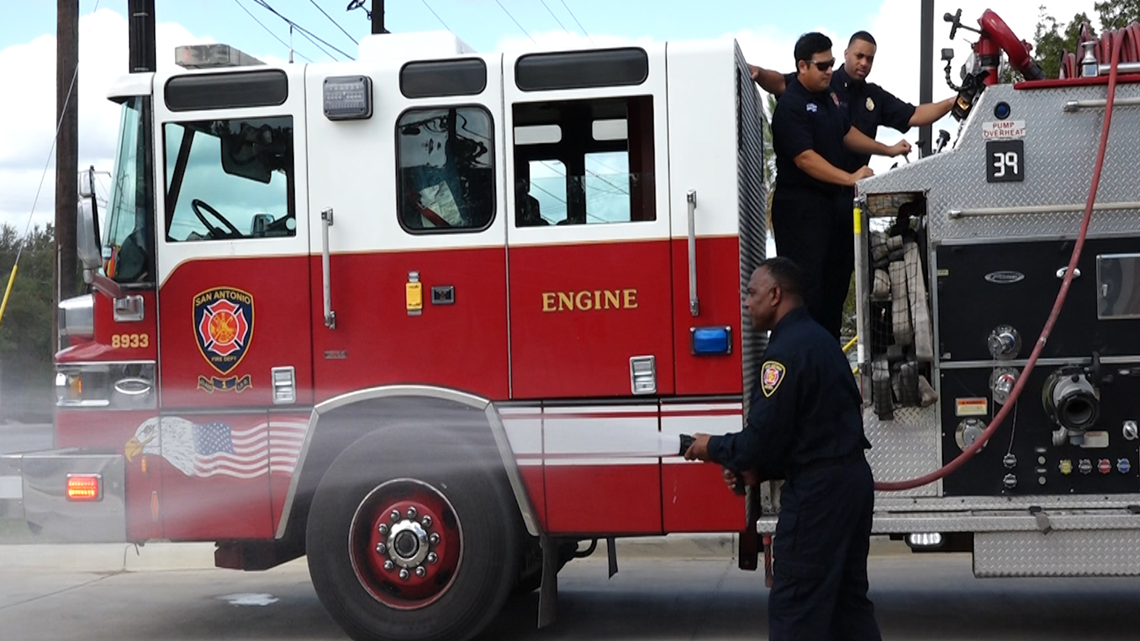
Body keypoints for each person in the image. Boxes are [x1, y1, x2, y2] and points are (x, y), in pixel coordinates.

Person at [684, 257, 880, 641]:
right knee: (848, 608)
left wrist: (711, 447)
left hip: (818, 498)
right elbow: (807, 430)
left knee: (797, 610)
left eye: (752, 294)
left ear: (775, 296)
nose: (746, 303)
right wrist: (761, 469)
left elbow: (761, 439)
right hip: (850, 486)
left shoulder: (783, 355)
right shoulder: (820, 341)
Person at [769, 32, 910, 339]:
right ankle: (804, 361)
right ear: (802, 67)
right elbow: (805, 159)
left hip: (833, 207)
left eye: (831, 64)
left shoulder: (829, 98)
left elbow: (847, 133)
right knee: (808, 293)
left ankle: (828, 357)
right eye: (822, 66)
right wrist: (849, 178)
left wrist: (887, 149)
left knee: (834, 291)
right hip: (801, 209)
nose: (830, 71)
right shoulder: (791, 105)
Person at [751, 30, 956, 171]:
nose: (864, 63)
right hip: (815, 190)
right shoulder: (822, 82)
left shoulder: (875, 96)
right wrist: (758, 73)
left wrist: (952, 102)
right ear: (846, 54)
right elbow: (780, 83)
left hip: (853, 188)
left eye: (870, 59)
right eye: (859, 56)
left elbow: (915, 115)